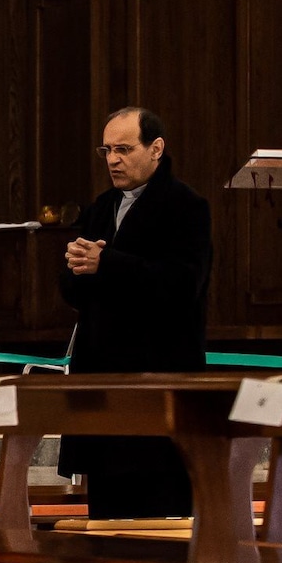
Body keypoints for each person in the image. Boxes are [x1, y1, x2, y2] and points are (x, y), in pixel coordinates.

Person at [56, 106, 212, 519]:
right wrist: (74, 268)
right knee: (105, 523)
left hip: (157, 376)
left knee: (160, 525)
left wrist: (108, 264)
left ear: (156, 148)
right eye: (106, 149)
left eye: (124, 148)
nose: (112, 159)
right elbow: (74, 292)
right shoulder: (101, 207)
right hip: (102, 380)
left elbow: (183, 286)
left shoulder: (186, 207)